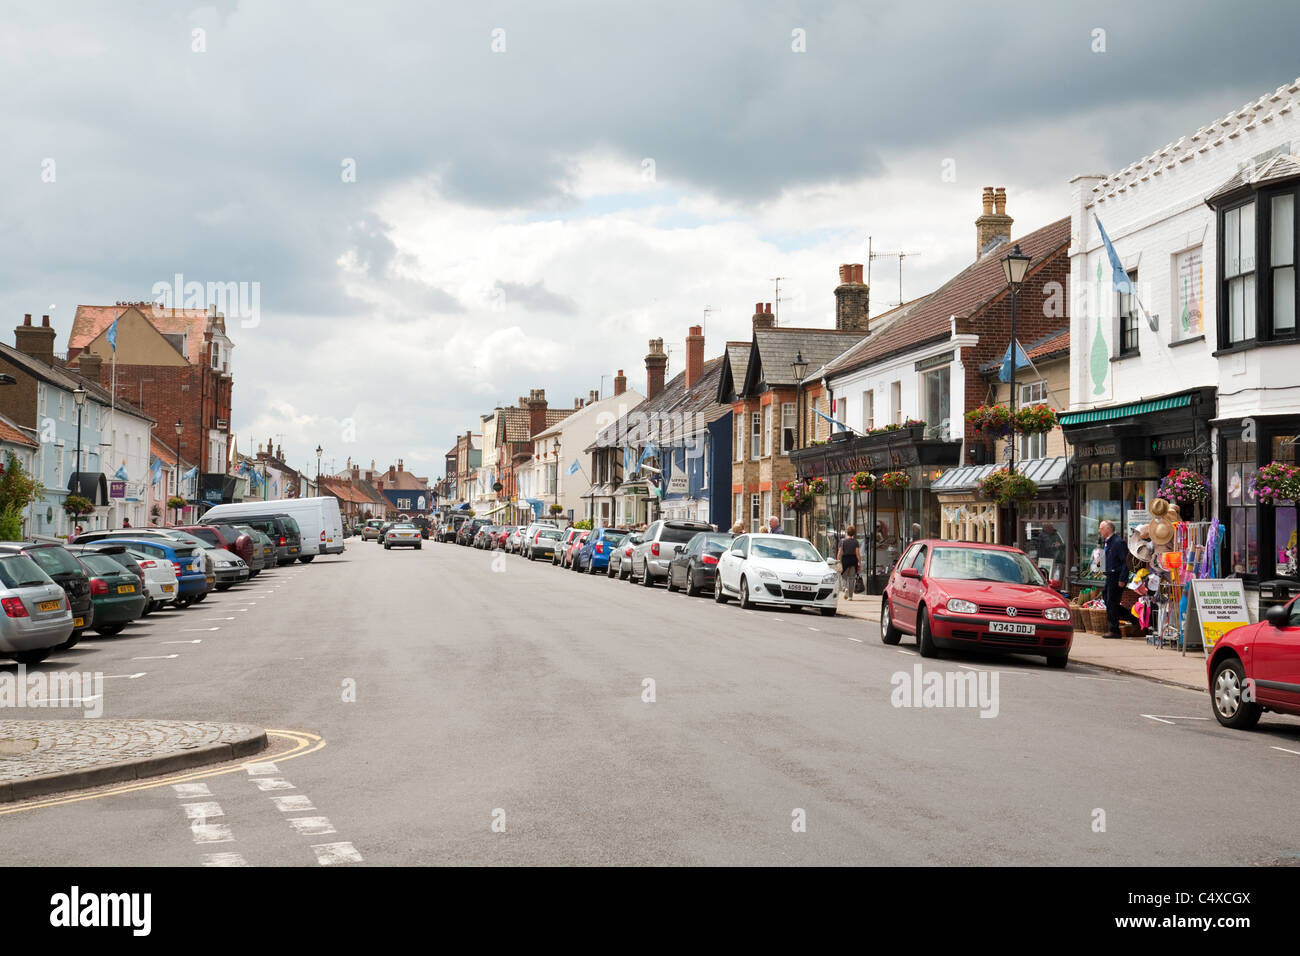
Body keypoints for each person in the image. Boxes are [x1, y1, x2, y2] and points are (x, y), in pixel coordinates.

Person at [1100, 520, 1128, 639]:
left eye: (1101, 528)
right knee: (1107, 599)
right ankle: (1132, 618)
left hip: (1116, 576)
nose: (1099, 531)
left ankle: (1114, 630)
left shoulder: (1118, 542)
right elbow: (1107, 558)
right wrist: (1101, 565)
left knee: (1112, 602)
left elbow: (1125, 562)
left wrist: (1122, 578)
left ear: (1108, 529)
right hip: (1109, 576)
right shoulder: (1107, 542)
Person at [837, 525, 861, 600]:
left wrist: (838, 561)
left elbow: (839, 552)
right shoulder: (855, 542)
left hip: (845, 560)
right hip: (853, 560)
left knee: (843, 576)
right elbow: (857, 553)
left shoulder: (842, 541)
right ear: (853, 533)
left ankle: (845, 588)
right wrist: (859, 562)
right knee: (852, 579)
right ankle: (850, 596)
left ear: (847, 532)